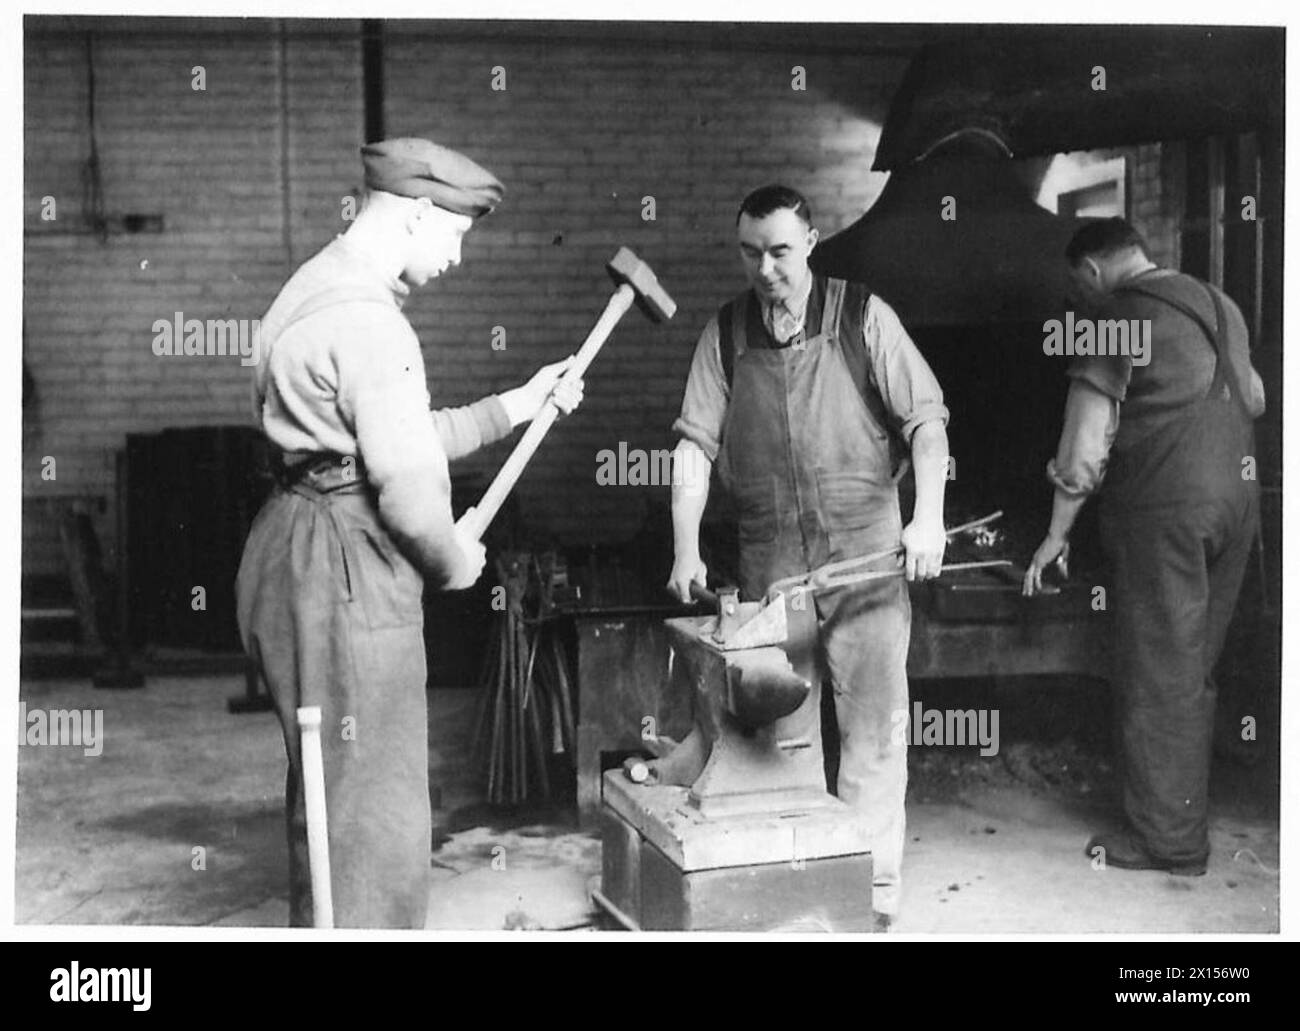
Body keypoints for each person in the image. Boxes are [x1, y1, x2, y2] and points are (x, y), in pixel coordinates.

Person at [236, 137, 584, 928]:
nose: (458, 259)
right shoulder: (372, 324)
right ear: (420, 214)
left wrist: (517, 404)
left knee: (333, 788)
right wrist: (454, 557)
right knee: (375, 811)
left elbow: (381, 437)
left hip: (295, 543)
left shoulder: (316, 286)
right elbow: (404, 488)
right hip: (343, 564)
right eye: (457, 236)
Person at [666, 184, 950, 928]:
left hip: (867, 562)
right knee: (778, 739)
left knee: (874, 733)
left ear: (813, 242)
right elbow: (693, 444)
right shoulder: (725, 335)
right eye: (750, 252)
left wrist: (928, 519)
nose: (764, 268)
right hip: (773, 569)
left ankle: (871, 897)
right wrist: (685, 544)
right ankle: (797, 893)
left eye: (780, 251)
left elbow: (927, 422)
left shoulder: (862, 316)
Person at [1024, 217, 1264, 876]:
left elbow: (1083, 450)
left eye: (1079, 288)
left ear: (1093, 271)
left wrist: (1055, 534)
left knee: (1160, 671)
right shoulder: (1220, 303)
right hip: (1238, 502)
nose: (1080, 302)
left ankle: (1170, 841)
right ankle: (1181, 813)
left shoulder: (1111, 319)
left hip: (1168, 507)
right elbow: (1256, 396)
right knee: (1194, 665)